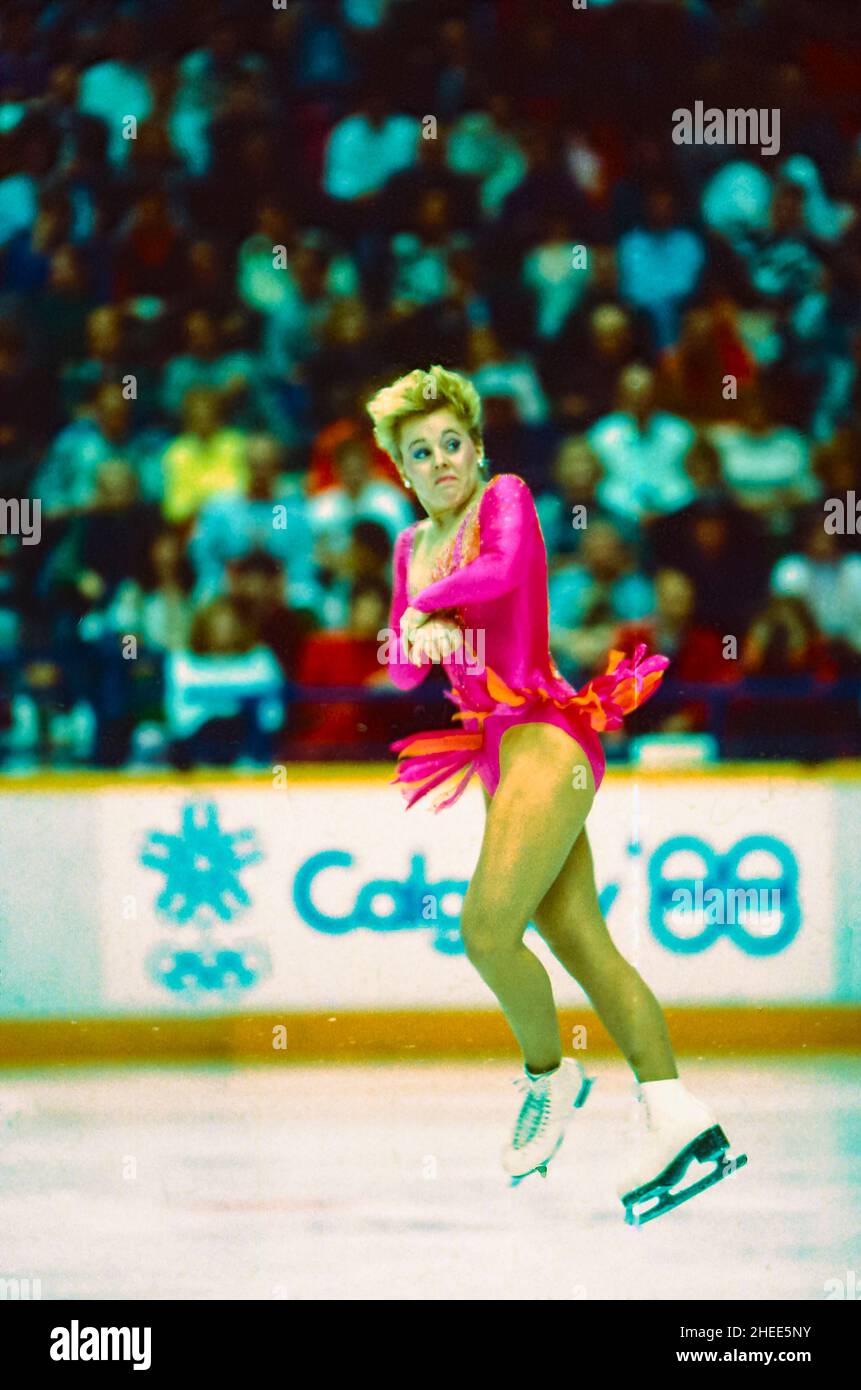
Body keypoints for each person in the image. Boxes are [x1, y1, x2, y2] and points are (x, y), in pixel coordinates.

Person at [365, 364, 746, 1223]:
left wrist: (428, 608)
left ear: (475, 445)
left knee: (483, 929)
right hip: (498, 755)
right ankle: (675, 1111)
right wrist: (413, 628)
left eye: (450, 442)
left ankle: (550, 1074)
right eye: (419, 452)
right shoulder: (407, 548)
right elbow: (396, 663)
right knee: (581, 944)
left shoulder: (505, 498)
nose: (440, 461)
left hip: (547, 733)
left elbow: (501, 575)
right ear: (400, 469)